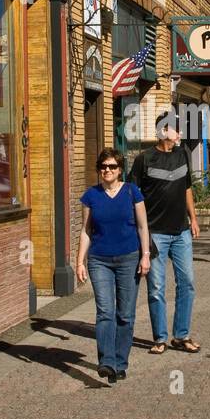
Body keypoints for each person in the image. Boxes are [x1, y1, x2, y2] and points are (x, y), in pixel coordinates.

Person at [76, 147, 150, 384]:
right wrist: (80, 261)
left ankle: (120, 362)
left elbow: (142, 227)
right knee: (105, 312)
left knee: (125, 315)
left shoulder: (132, 192)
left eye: (112, 167)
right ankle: (107, 361)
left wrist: (145, 255)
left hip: (129, 258)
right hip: (99, 260)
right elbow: (86, 230)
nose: (107, 170)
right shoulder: (91, 196)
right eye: (103, 166)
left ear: (120, 170)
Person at [129, 112, 201, 354]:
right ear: (163, 131)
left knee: (187, 283)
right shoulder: (144, 159)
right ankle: (159, 338)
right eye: (176, 128)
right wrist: (138, 228)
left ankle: (181, 335)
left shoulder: (183, 154)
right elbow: (133, 194)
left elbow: (187, 188)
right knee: (157, 287)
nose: (179, 132)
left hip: (181, 232)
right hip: (155, 234)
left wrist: (193, 218)